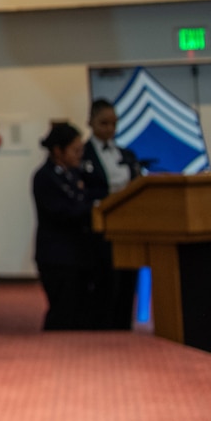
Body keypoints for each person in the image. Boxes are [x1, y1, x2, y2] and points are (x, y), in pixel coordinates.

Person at [32, 121, 113, 331]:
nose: (80, 155)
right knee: (63, 312)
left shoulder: (74, 174)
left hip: (78, 254)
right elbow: (64, 211)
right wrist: (93, 207)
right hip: (57, 256)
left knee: (81, 312)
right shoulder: (45, 177)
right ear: (58, 151)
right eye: (75, 150)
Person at [85, 98, 144, 330]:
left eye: (113, 124)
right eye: (104, 123)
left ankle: (123, 327)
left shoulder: (127, 154)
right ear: (90, 122)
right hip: (100, 233)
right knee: (105, 285)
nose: (109, 129)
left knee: (127, 284)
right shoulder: (83, 155)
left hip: (127, 229)